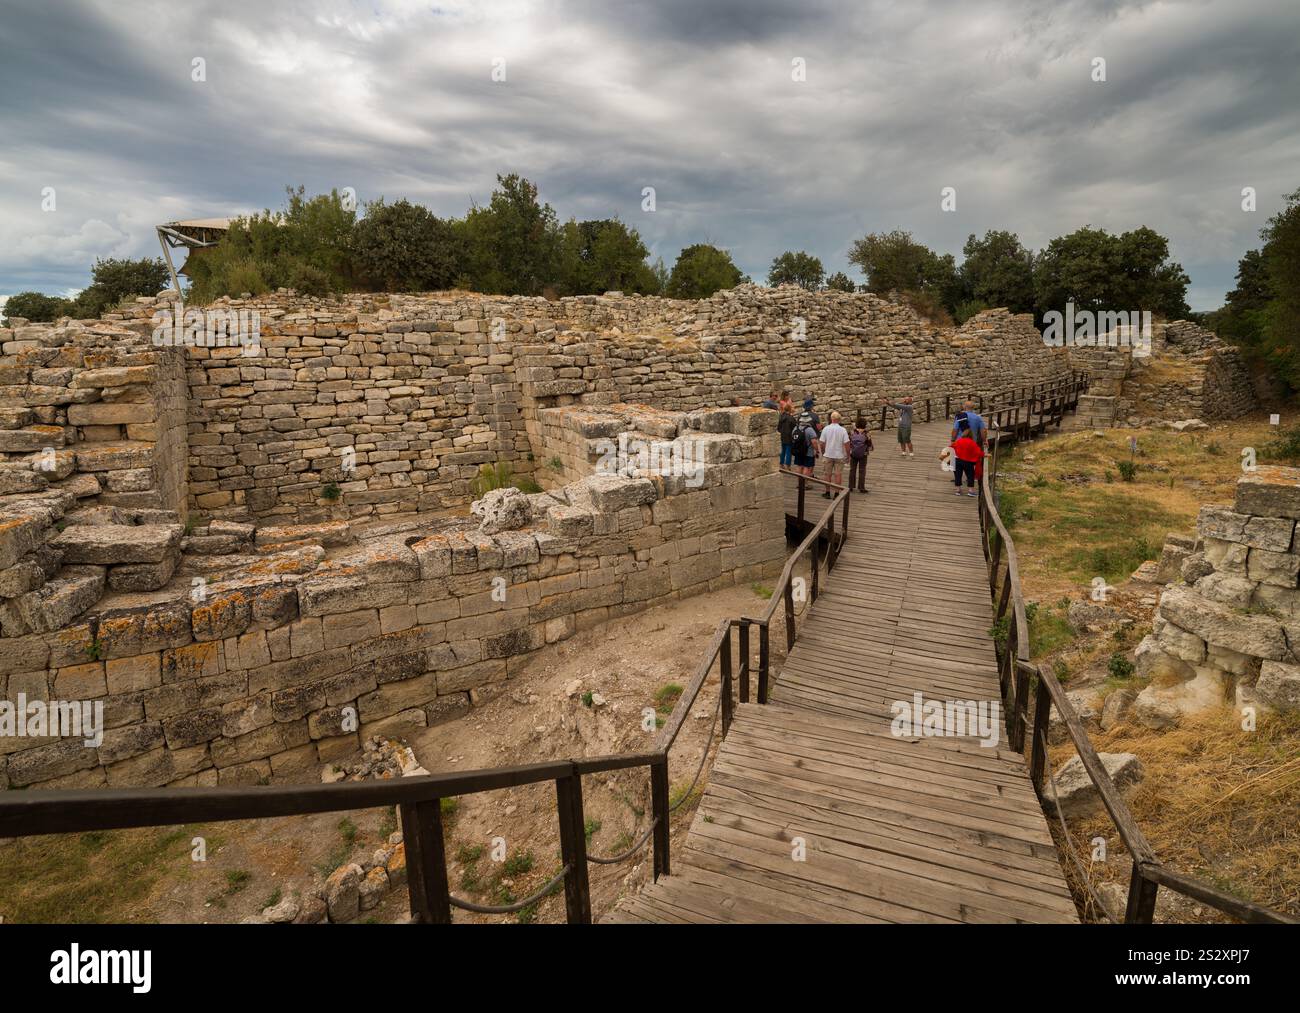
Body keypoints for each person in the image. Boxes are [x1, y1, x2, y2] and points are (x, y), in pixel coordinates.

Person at [946, 425, 985, 497]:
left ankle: (958, 490)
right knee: (970, 475)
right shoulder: (972, 442)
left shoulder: (958, 441)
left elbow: (950, 448)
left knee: (958, 475)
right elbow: (978, 452)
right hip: (968, 462)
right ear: (971, 435)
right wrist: (984, 454)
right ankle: (970, 491)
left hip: (957, 460)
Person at [818, 411, 849, 497]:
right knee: (838, 474)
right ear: (839, 419)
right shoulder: (843, 430)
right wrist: (848, 455)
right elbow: (847, 444)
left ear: (831, 419)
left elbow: (821, 443)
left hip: (828, 454)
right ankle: (836, 493)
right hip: (839, 455)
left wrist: (823, 452)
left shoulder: (826, 429)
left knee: (827, 474)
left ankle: (827, 492)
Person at [790, 406, 819, 478]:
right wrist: (816, 450)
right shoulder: (809, 429)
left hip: (798, 451)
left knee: (799, 466)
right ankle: (805, 484)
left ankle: (799, 483)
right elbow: (814, 442)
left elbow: (793, 438)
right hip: (808, 452)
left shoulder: (795, 428)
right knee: (807, 467)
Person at [848, 416, 873, 493]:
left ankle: (851, 486)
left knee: (852, 470)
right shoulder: (867, 434)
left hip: (853, 454)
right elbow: (870, 446)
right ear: (865, 425)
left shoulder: (852, 433)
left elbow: (849, 443)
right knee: (862, 471)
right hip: (863, 455)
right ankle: (861, 487)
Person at [777, 404, 797, 468]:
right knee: (788, 451)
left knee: (783, 450)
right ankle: (787, 465)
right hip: (789, 436)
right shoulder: (791, 418)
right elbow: (794, 428)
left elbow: (778, 428)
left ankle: (781, 463)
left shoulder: (781, 417)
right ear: (789, 409)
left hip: (783, 435)